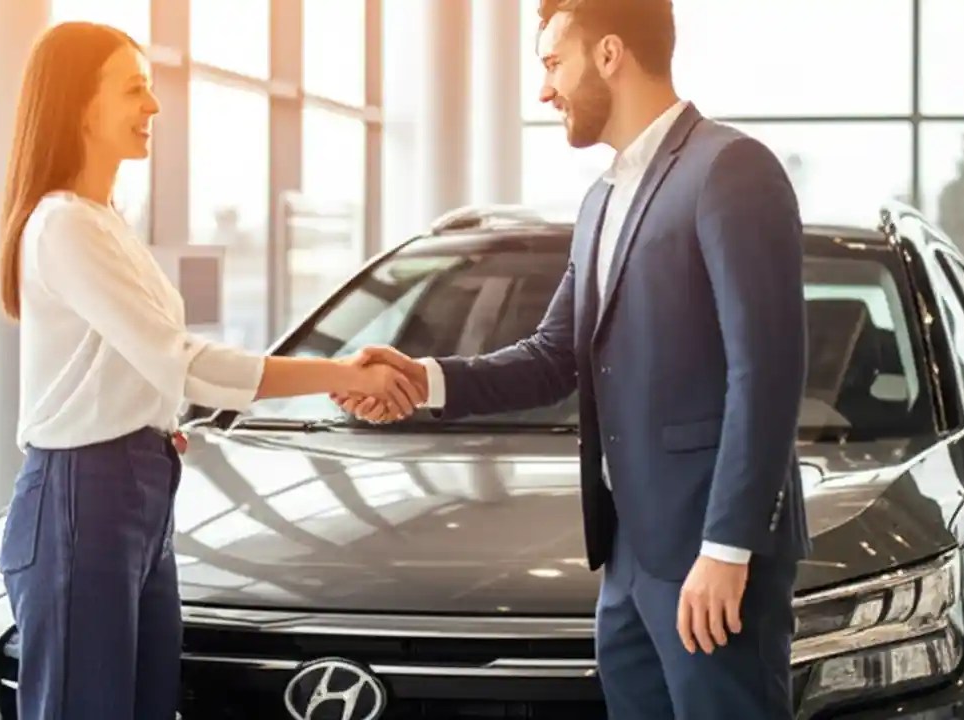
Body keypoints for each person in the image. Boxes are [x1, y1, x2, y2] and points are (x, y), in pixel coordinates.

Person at [337, 1, 809, 717]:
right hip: (629, 559)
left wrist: (727, 548)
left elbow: (765, 373)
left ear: (610, 54)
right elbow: (555, 357)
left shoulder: (729, 169)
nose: (544, 90)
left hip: (708, 554)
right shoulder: (599, 202)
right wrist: (423, 379)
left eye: (554, 64)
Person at [0, 22, 421, 720]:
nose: (154, 106)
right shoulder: (63, 225)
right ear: (79, 106)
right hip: (86, 498)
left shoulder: (101, 222)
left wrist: (154, 424)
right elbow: (183, 361)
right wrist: (344, 373)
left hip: (134, 487)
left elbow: (140, 365)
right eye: (134, 89)